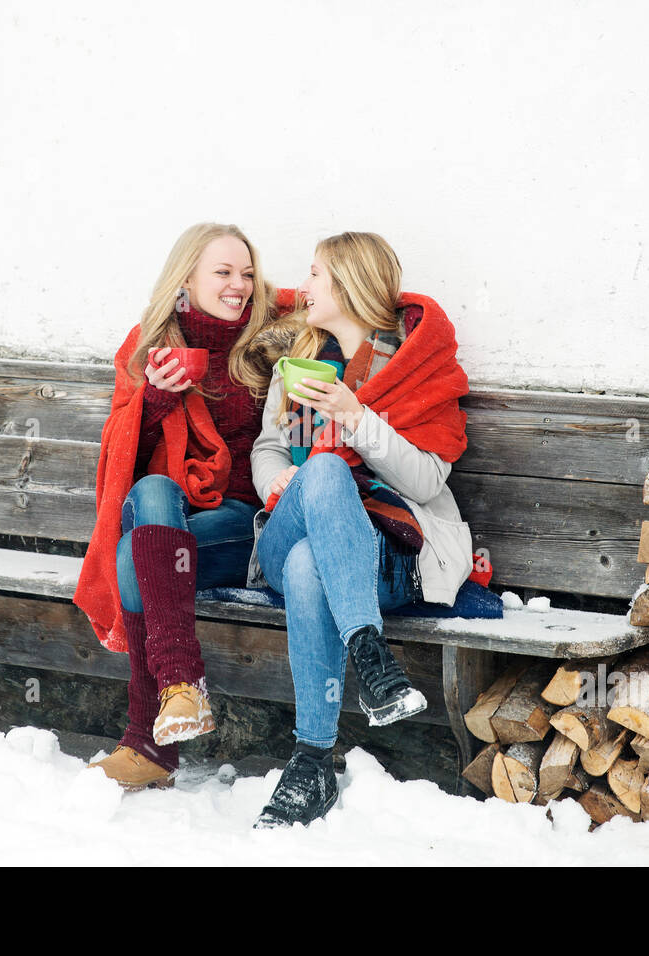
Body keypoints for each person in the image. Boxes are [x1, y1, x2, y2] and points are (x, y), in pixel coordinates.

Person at [248, 231, 472, 828]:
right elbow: (270, 450)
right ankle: (372, 657)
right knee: (317, 470)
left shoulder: (414, 370)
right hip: (287, 523)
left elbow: (425, 482)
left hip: (385, 552)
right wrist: (279, 488)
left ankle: (312, 760)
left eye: (317, 274)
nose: (305, 285)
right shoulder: (301, 362)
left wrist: (354, 414)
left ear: (348, 286)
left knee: (307, 566)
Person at [74, 222, 289, 790]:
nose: (239, 285)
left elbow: (340, 298)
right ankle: (178, 689)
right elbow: (122, 458)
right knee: (149, 493)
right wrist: (155, 400)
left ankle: (151, 737)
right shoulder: (147, 346)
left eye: (247, 273)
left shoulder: (271, 342)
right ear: (185, 278)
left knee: (133, 557)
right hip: (167, 520)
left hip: (241, 524)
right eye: (223, 272)